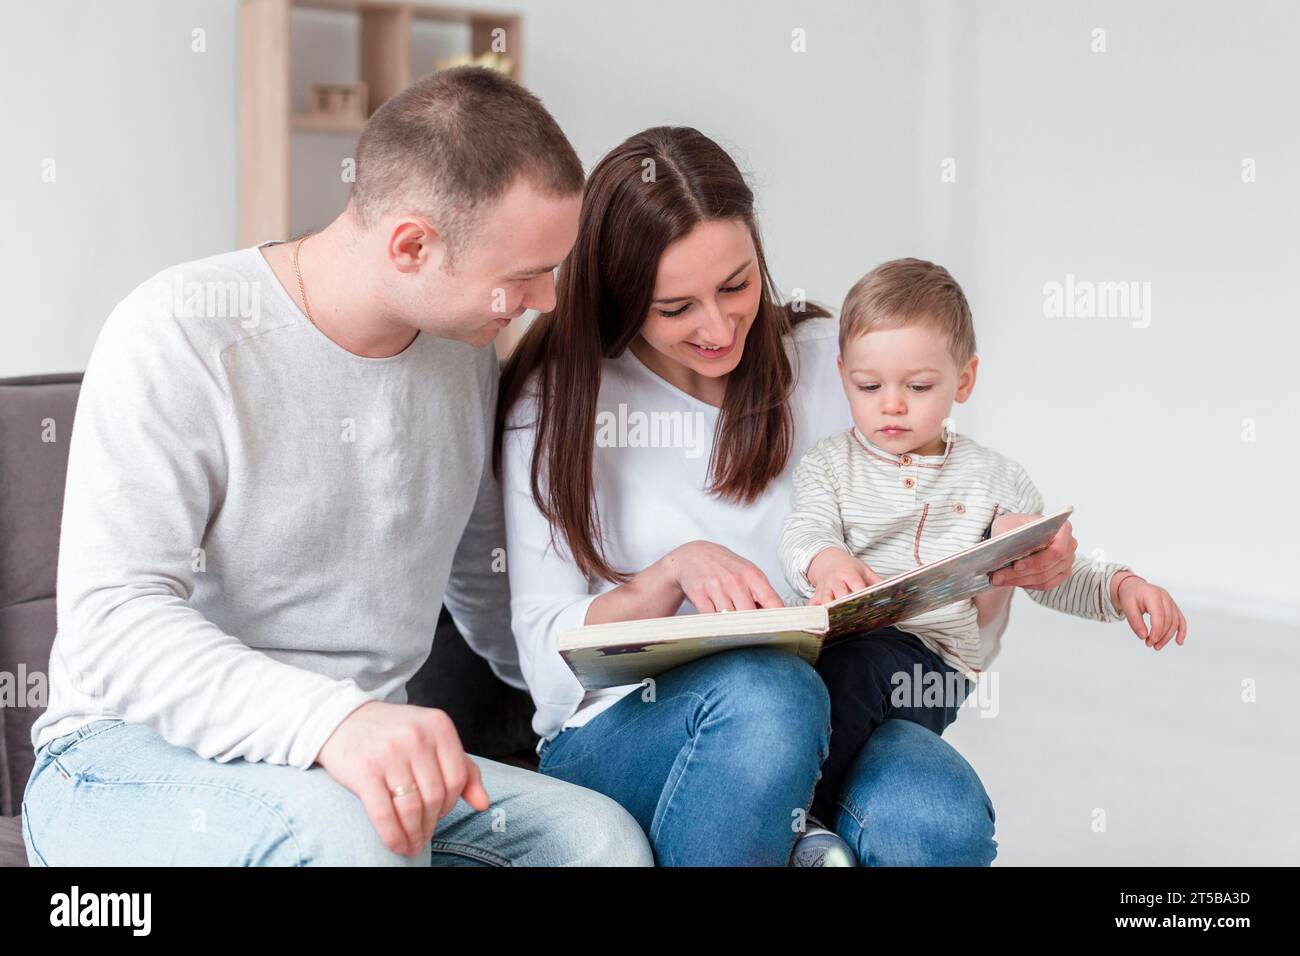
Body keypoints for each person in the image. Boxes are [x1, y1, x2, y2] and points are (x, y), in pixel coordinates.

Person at [22, 67, 652, 867]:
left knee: (599, 842)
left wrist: (610, 678)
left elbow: (487, 587)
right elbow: (114, 621)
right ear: (413, 245)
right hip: (128, 757)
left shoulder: (461, 357)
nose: (548, 301)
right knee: (351, 841)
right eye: (522, 277)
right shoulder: (178, 333)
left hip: (361, 762)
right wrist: (334, 723)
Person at [494, 127, 1081, 865]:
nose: (717, 327)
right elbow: (546, 675)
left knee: (935, 818)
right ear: (621, 298)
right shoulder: (558, 402)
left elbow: (944, 614)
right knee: (767, 696)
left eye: (736, 285)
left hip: (832, 705)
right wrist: (672, 574)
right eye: (676, 308)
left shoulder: (833, 365)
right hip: (624, 733)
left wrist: (1002, 559)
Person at [779, 256, 1189, 825]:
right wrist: (827, 563)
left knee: (854, 674)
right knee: (786, 685)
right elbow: (806, 530)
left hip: (930, 666)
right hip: (837, 640)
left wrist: (1121, 586)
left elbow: (1049, 572)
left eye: (918, 386)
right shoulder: (828, 464)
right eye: (868, 385)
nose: (891, 404)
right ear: (843, 371)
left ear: (964, 380)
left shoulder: (996, 480)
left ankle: (803, 830)